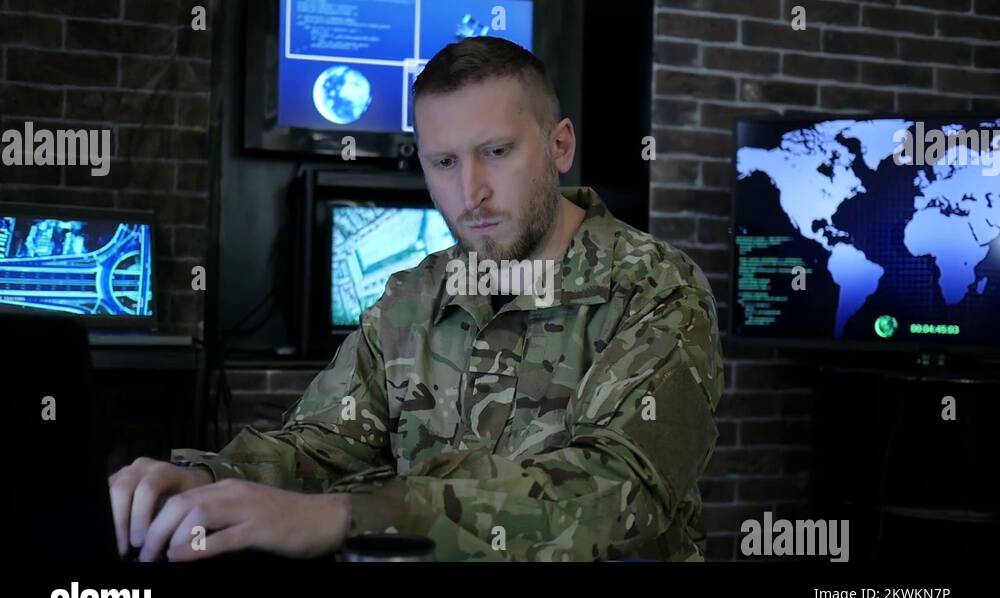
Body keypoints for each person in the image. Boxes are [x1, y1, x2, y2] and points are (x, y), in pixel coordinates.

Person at [108, 36, 724, 562]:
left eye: (497, 153)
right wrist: (205, 478)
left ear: (560, 146)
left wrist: (353, 517)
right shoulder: (414, 297)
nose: (470, 192)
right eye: (444, 161)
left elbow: (619, 494)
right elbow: (322, 446)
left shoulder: (655, 289)